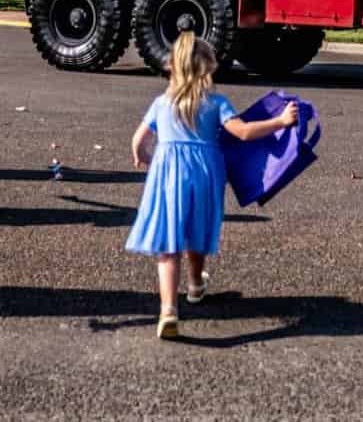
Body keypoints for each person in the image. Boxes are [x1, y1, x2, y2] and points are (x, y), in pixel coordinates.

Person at [125, 32, 300, 339]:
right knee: (197, 229)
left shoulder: (161, 103)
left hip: (168, 173)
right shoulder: (216, 103)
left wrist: (143, 157)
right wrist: (281, 122)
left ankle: (168, 310)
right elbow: (243, 132)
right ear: (206, 67)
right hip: (205, 172)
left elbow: (139, 141)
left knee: (169, 243)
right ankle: (195, 285)